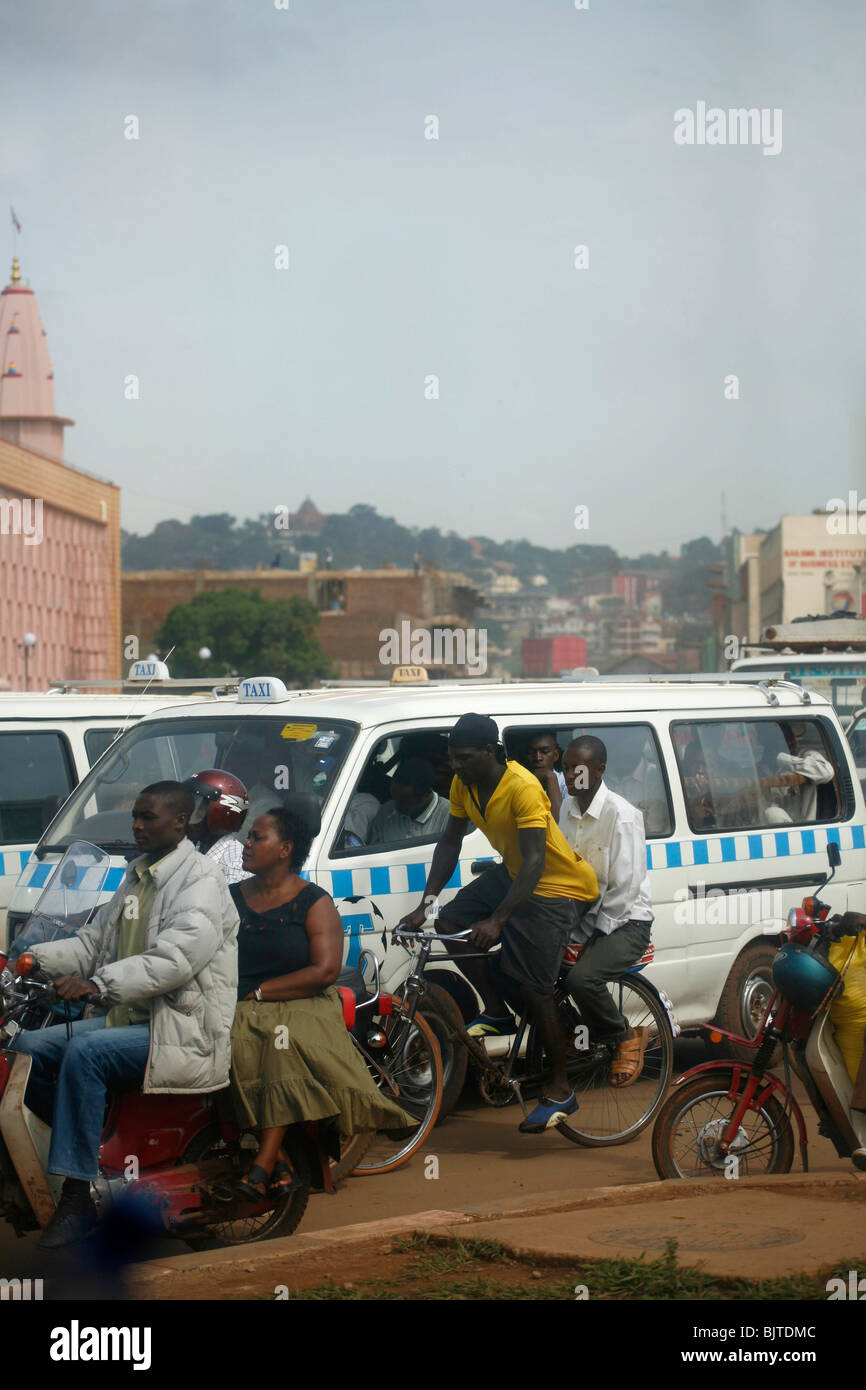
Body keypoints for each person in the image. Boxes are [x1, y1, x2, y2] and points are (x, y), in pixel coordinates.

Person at [9, 782, 239, 1249]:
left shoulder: (200, 881)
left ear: (179, 821)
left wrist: (98, 985)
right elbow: (95, 943)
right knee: (26, 1046)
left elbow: (175, 960)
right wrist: (31, 959)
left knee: (84, 1053)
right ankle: (76, 1151)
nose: (136, 825)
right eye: (134, 816)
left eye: (148, 818)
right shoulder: (139, 872)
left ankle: (77, 1196)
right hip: (131, 1019)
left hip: (178, 1026)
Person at [397, 713, 598, 1134]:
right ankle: (496, 1011)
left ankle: (561, 1089)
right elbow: (450, 840)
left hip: (557, 887)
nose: (456, 766)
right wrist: (426, 904)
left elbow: (537, 862)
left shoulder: (523, 787)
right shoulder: (462, 784)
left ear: (490, 752)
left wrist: (498, 919)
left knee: (534, 986)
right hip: (516, 873)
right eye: (452, 758)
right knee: (451, 921)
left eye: (464, 757)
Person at [227, 805, 415, 1197]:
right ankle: (277, 1163)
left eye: (257, 837)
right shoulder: (230, 897)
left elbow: (325, 971)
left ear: (285, 849)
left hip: (303, 999)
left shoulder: (314, 901)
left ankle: (266, 1162)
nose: (246, 844)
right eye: (248, 836)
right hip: (240, 1001)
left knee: (278, 1046)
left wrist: (261, 992)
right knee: (226, 1046)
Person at [558, 737, 654, 1086]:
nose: (570, 775)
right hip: (580, 917)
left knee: (582, 978)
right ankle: (577, 1036)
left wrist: (591, 937)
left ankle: (625, 1036)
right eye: (566, 768)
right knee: (530, 974)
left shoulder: (623, 815)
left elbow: (624, 889)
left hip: (624, 922)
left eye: (578, 768)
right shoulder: (564, 813)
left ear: (599, 770)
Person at [185, 768, 251, 883]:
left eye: (198, 809)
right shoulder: (196, 846)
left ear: (220, 814)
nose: (186, 818)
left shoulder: (234, 866)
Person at [367, 757, 451, 845]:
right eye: (395, 799)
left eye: (404, 802)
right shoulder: (386, 811)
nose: (396, 808)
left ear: (427, 793)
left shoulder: (450, 817)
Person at [522, 730, 567, 821]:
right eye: (531, 752)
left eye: (545, 752)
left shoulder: (566, 782)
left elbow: (560, 823)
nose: (538, 758)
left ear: (556, 755)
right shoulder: (520, 782)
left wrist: (550, 777)